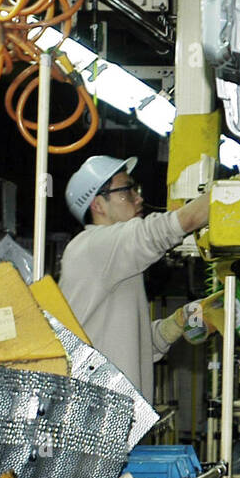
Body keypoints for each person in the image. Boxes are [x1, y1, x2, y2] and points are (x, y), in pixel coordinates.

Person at [60, 155, 212, 403]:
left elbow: (128, 346)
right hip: (98, 414)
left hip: (105, 413)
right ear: (98, 204)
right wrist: (234, 192)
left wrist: (174, 324)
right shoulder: (95, 246)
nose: (139, 198)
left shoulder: (111, 259)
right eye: (127, 191)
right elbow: (164, 230)